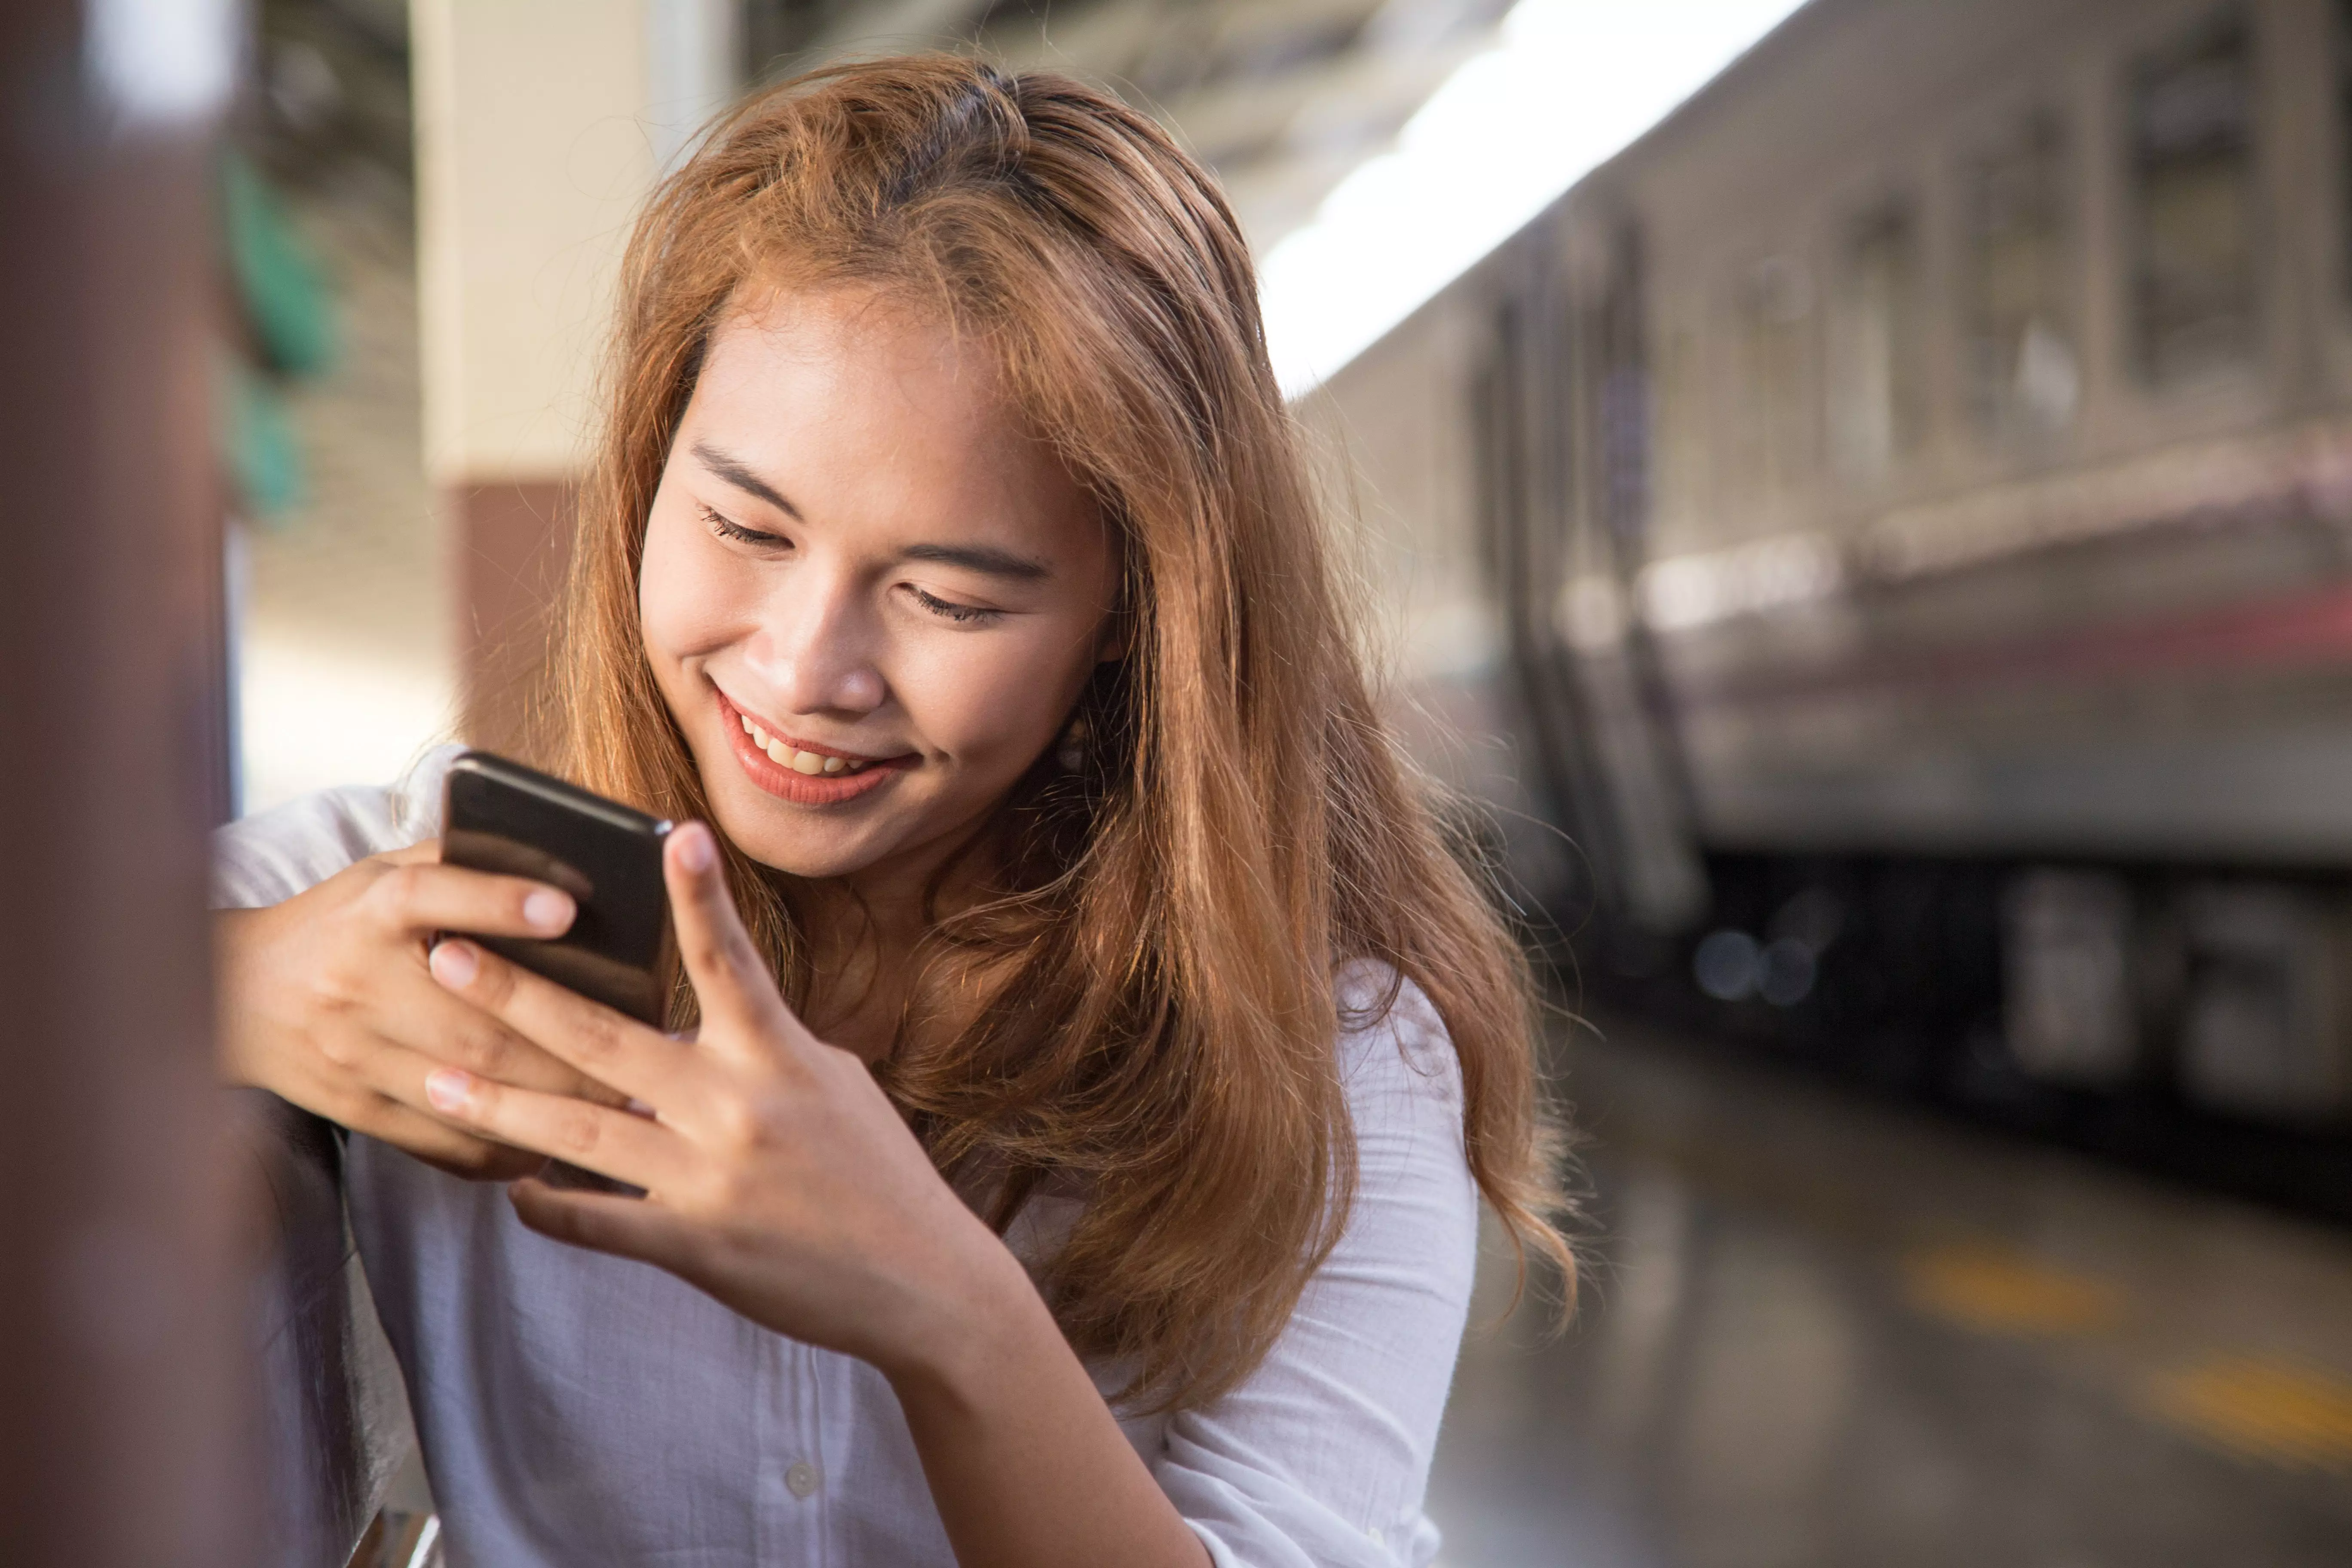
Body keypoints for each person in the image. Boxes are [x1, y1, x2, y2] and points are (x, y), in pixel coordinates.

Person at [213, 55, 1571, 1568]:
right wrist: (228, 981)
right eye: (741, 524)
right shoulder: (408, 892)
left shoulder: (1334, 1062)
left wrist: (942, 1305)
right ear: (652, 470)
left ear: (1137, 614)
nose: (805, 670)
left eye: (947, 598)